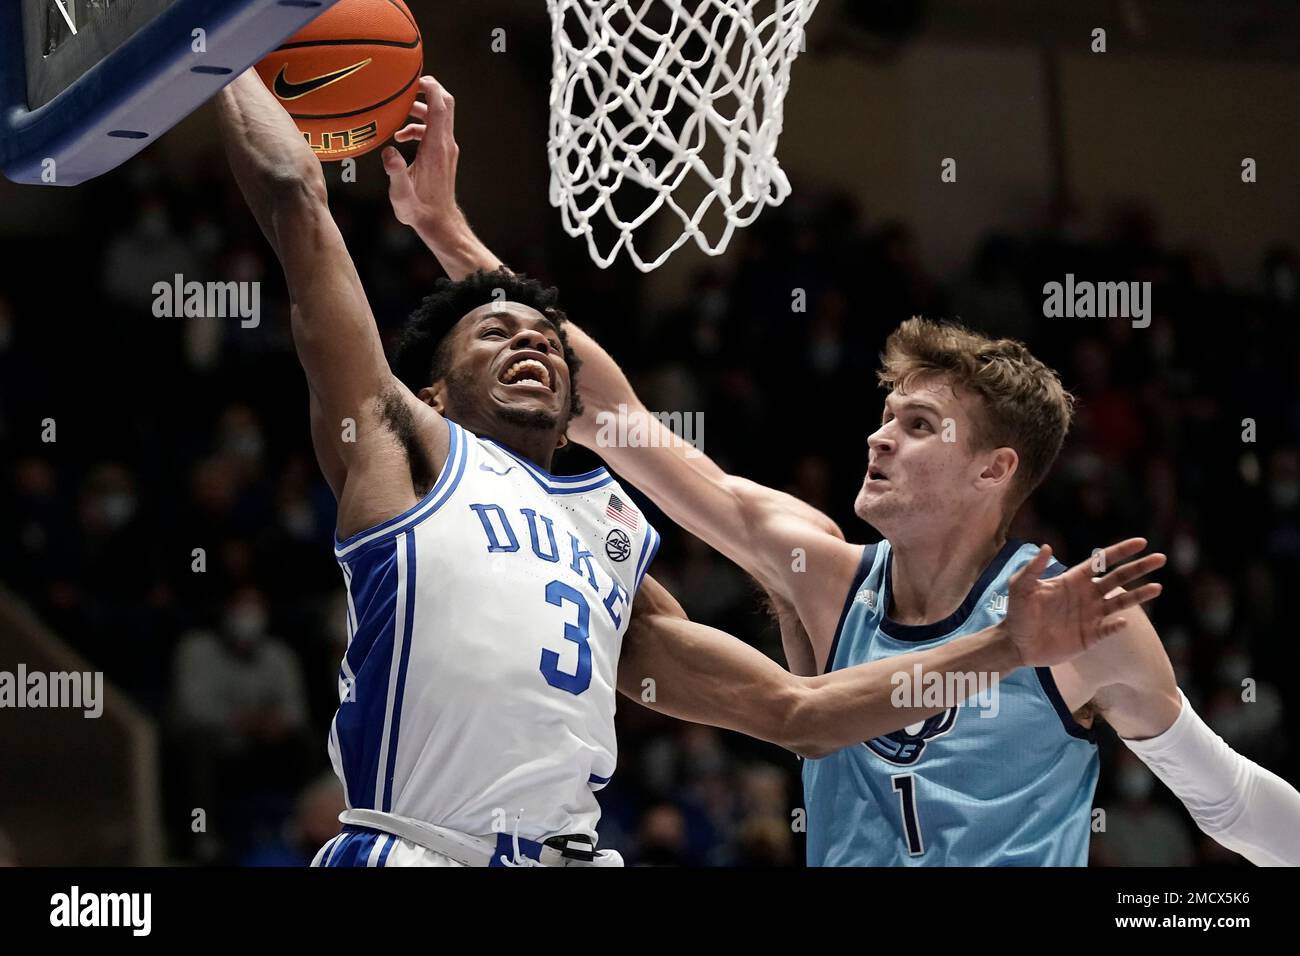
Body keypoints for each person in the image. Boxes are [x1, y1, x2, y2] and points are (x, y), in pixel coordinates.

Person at [213, 70, 1160, 868]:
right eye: (494, 331)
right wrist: (219, 40)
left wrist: (1005, 649)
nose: (530, 342)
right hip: (419, 847)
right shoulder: (403, 446)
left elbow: (798, 713)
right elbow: (297, 200)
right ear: (436, 388)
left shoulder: (612, 541)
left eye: (546, 336)